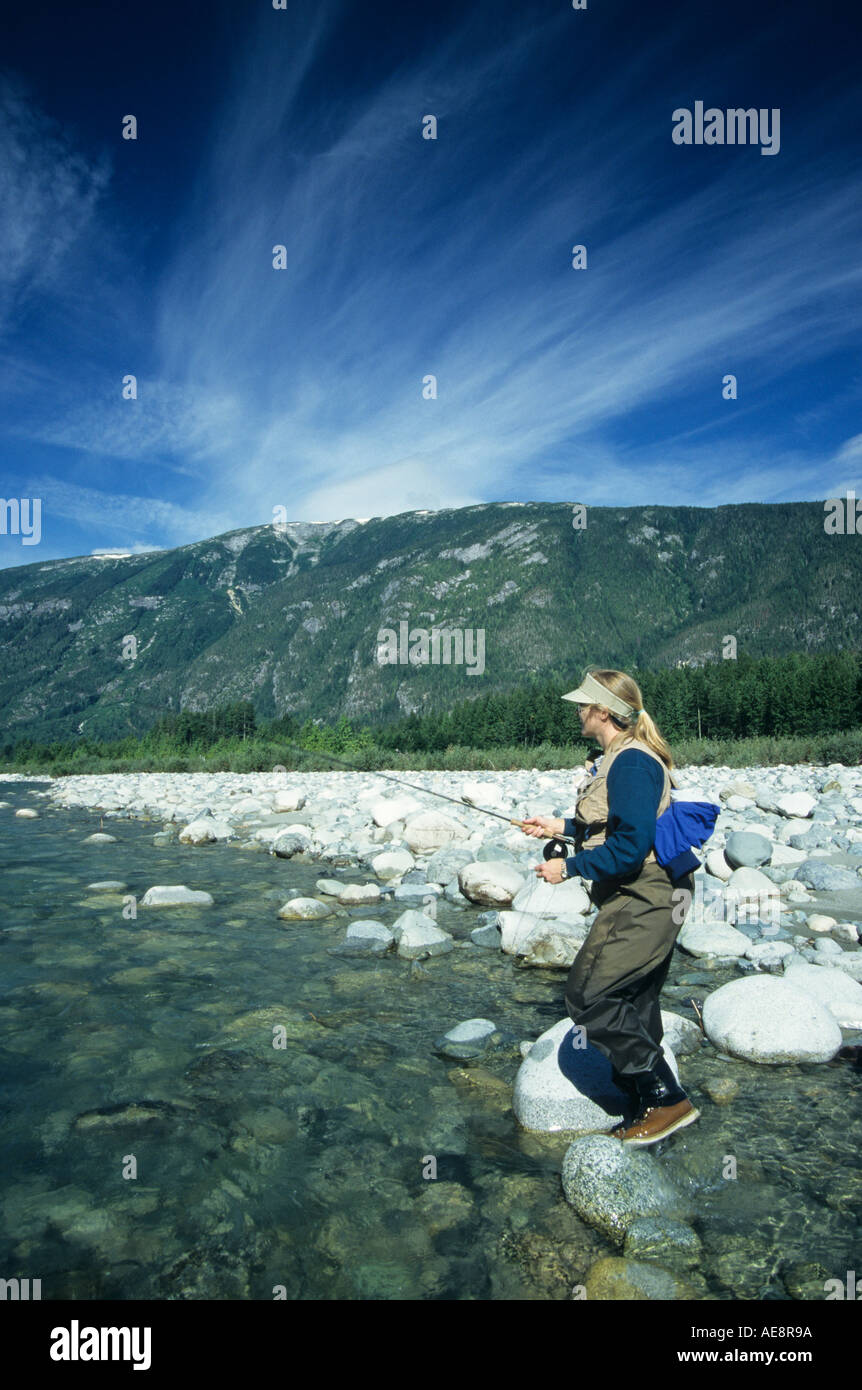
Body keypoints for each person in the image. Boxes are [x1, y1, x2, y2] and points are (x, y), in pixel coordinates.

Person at [520, 667, 699, 1145]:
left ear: (603, 711)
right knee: (635, 995)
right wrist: (557, 826)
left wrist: (568, 868)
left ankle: (665, 1099)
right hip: (658, 890)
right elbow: (612, 825)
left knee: (589, 994)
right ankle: (641, 1101)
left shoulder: (632, 763)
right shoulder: (618, 757)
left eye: (583, 704)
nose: (577, 711)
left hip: (648, 893)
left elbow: (630, 846)